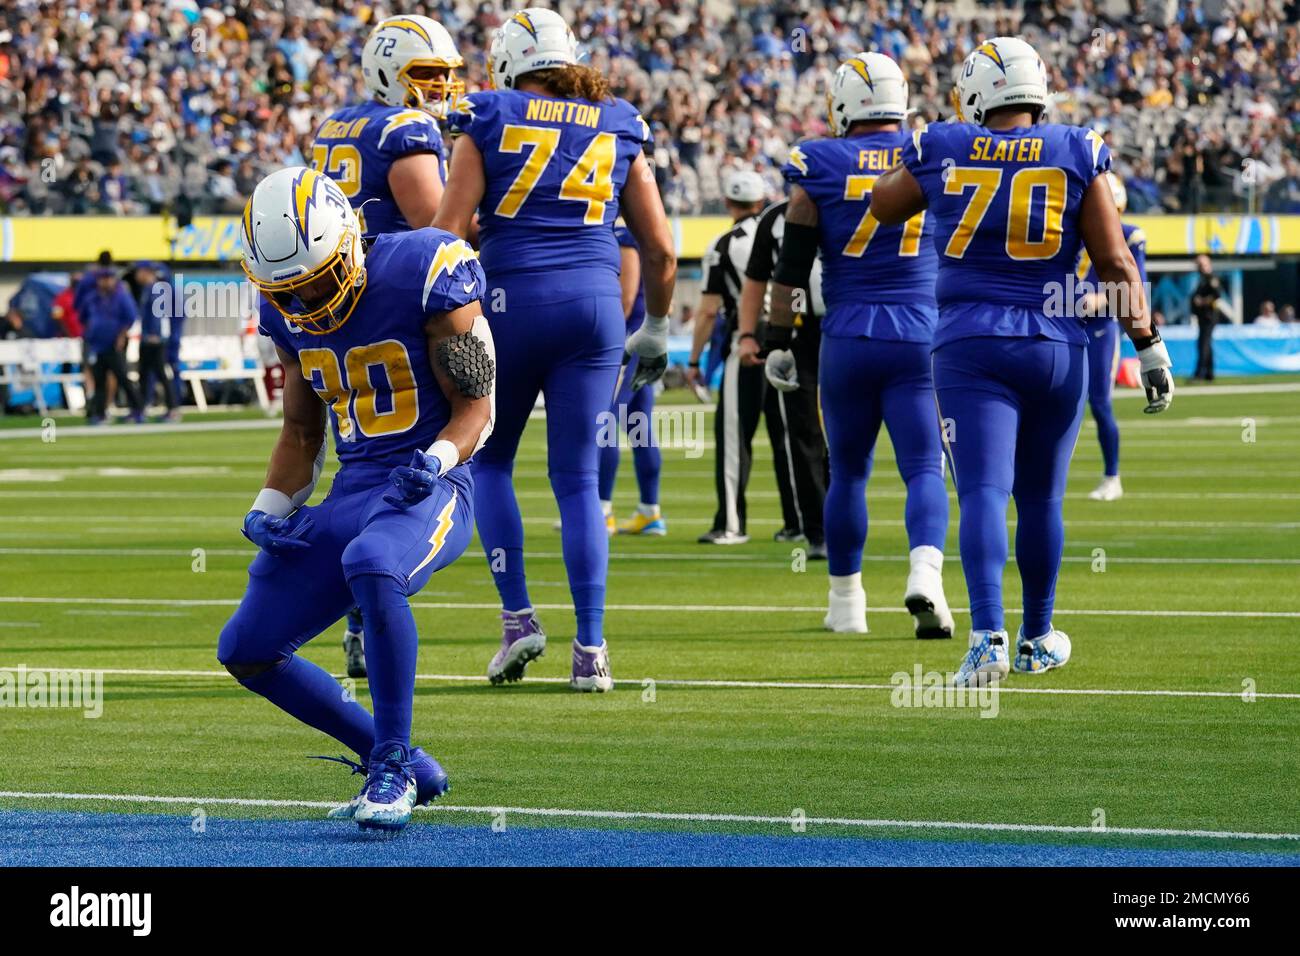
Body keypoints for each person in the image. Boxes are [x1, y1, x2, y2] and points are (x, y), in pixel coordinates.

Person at [872, 36, 1173, 686]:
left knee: (984, 491)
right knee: (1042, 499)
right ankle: (1038, 635)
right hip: (1057, 343)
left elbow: (882, 204)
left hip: (971, 342)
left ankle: (988, 639)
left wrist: (930, 161)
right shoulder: (1075, 147)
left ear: (979, 91)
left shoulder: (945, 143)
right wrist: (1147, 342)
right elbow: (1117, 261)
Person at [220, 166, 493, 832]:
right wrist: (268, 507)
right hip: (357, 484)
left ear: (348, 242)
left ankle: (392, 765)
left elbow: (478, 408)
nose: (307, 301)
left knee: (374, 561)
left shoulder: (428, 268)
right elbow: (301, 431)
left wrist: (434, 459)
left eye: (315, 279)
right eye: (290, 290)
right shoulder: (284, 313)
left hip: (435, 482)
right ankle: (395, 758)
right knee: (248, 645)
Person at [434, 8, 676, 692]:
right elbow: (658, 249)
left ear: (509, 63)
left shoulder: (489, 115)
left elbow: (447, 235)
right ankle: (592, 651)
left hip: (513, 302)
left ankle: (518, 619)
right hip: (597, 307)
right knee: (577, 481)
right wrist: (656, 326)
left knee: (491, 461)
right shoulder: (619, 120)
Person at [763, 53, 953, 639]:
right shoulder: (931, 149)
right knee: (924, 466)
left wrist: (778, 340)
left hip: (847, 334)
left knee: (847, 472)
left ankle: (846, 603)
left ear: (844, 105)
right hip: (920, 332)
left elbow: (791, 270)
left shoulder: (818, 161)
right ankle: (926, 573)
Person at [310, 12, 465, 680]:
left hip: (342, 307)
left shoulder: (336, 124)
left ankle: (356, 621)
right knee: (442, 448)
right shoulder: (405, 129)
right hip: (400, 305)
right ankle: (375, 612)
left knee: (363, 458)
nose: (437, 87)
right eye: (424, 74)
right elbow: (437, 226)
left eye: (444, 75)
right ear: (387, 72)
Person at [735, 193, 829, 556]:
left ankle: (840, 522)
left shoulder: (848, 198)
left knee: (846, 433)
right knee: (803, 430)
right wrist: (748, 335)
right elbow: (756, 279)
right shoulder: (774, 219)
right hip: (795, 330)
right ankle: (817, 529)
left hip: (847, 325)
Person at [684, 170, 769, 545]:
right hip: (794, 337)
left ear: (729, 203)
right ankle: (805, 524)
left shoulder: (723, 243)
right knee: (795, 436)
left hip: (746, 337)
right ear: (762, 202)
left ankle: (731, 523)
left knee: (734, 435)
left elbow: (706, 310)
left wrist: (693, 360)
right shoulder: (779, 232)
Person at [1076, 172, 1146, 501]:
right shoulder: (1072, 231)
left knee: (1100, 402)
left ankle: (1112, 475)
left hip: (1100, 327)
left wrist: (1102, 300)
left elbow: (1135, 287)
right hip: (1063, 324)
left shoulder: (1129, 236)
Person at [601, 223, 666, 536]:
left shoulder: (625, 233)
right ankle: (649, 511)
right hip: (642, 338)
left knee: (605, 420)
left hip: (629, 340)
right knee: (639, 424)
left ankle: (602, 510)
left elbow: (627, 297)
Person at [81, 267, 144, 425]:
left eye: (108, 278)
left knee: (123, 378)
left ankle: (138, 409)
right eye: (103, 279)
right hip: (97, 344)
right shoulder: (93, 298)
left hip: (114, 344)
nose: (106, 282)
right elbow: (83, 316)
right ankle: (100, 413)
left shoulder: (120, 297)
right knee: (99, 380)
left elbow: (130, 317)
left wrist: (122, 335)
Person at [134, 261, 179, 422]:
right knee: (145, 374)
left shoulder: (156, 289)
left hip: (155, 340)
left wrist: (155, 334)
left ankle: (172, 409)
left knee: (160, 374)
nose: (137, 275)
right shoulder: (149, 289)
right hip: (148, 338)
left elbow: (158, 314)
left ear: (146, 271)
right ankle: (141, 408)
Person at [1190, 254, 1223, 381]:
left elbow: (1217, 294)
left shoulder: (1211, 278)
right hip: (1203, 316)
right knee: (1206, 344)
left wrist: (1202, 302)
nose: (1199, 268)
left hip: (1209, 316)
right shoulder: (1202, 279)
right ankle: (1209, 373)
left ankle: (1200, 373)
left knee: (1203, 344)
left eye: (1201, 265)